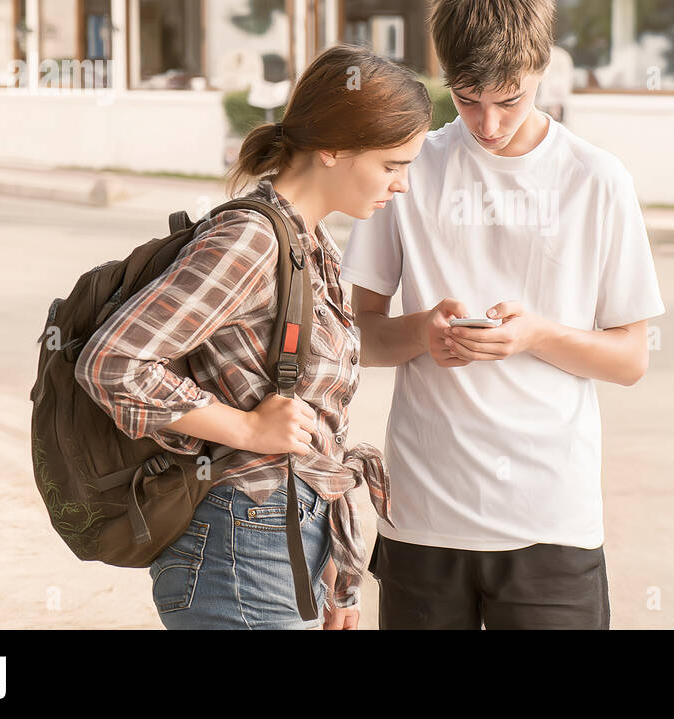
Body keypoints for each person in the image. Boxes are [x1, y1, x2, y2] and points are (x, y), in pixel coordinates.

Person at [341, 0, 666, 629]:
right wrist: (423, 332)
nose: (487, 123)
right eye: (466, 99)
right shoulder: (410, 168)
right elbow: (357, 336)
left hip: (550, 520)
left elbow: (631, 357)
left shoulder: (597, 181)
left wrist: (538, 335)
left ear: (544, 67)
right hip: (424, 515)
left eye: (509, 99)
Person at [74, 44, 430, 629]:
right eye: (393, 165)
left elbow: (319, 422)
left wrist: (338, 577)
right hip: (237, 548)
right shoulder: (252, 241)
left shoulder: (312, 246)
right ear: (334, 147)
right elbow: (113, 363)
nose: (402, 186)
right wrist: (244, 427)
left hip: (283, 539)